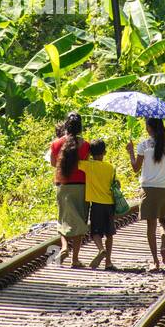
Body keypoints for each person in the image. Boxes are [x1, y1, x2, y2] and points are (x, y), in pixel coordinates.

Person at [127, 117, 165, 272]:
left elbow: (136, 168)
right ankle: (163, 246)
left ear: (149, 127)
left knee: (151, 226)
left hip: (149, 188)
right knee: (164, 221)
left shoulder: (143, 145)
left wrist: (130, 152)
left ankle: (155, 261)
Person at [50, 112, 90, 267]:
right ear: (80, 127)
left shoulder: (56, 144)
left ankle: (65, 247)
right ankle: (75, 259)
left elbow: (54, 164)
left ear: (66, 125)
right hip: (81, 185)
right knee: (80, 220)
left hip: (62, 184)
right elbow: (86, 164)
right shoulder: (85, 145)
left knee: (63, 218)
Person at [80, 139, 117, 271]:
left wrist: (86, 154)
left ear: (91, 153)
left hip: (96, 205)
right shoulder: (110, 167)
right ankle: (108, 262)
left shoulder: (88, 165)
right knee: (109, 234)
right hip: (109, 204)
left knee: (95, 232)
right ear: (105, 152)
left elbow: (77, 163)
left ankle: (101, 249)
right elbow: (116, 184)